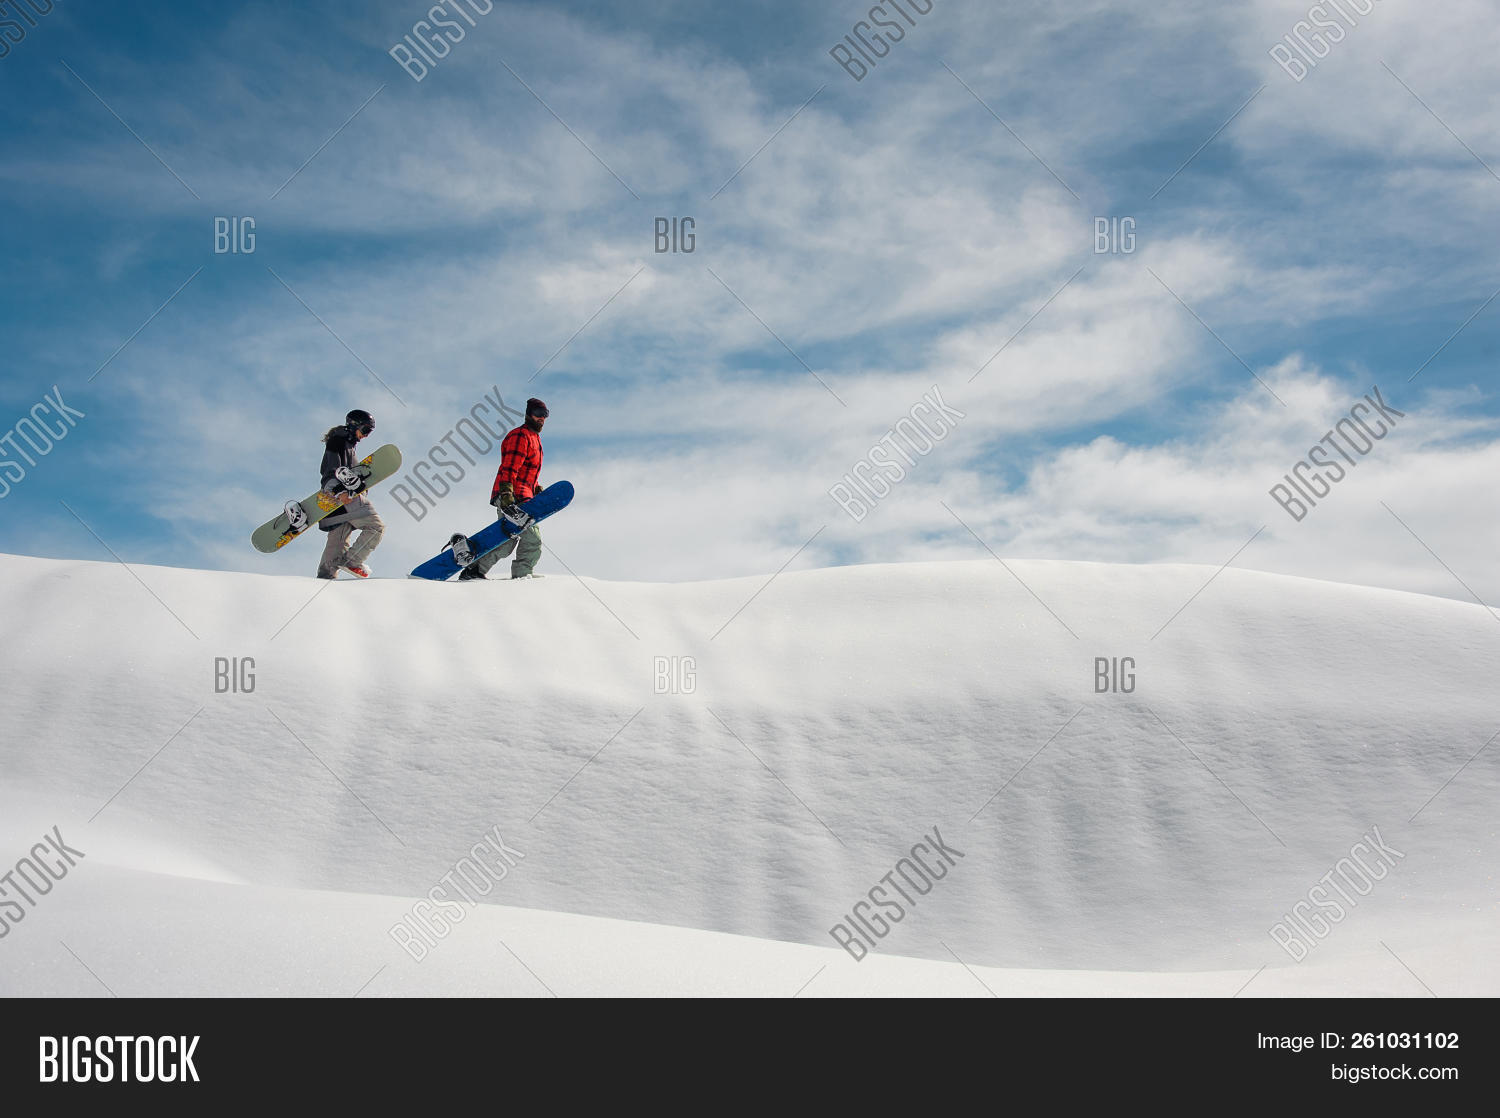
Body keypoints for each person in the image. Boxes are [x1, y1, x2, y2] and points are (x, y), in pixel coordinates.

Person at [460, 397, 548, 580]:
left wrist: (537, 489)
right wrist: (507, 494)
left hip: (525, 495)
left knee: (507, 540)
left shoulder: (535, 440)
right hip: (513, 496)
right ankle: (522, 576)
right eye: (538, 414)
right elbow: (510, 467)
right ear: (528, 414)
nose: (541, 418)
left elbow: (527, 473)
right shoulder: (520, 436)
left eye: (545, 415)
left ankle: (474, 571)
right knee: (532, 538)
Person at [316, 409, 385, 579]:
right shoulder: (338, 442)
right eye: (366, 430)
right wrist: (339, 491)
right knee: (376, 528)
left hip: (336, 510)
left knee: (332, 559)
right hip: (346, 500)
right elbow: (330, 471)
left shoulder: (347, 445)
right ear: (354, 425)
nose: (367, 436)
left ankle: (323, 583)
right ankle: (353, 562)